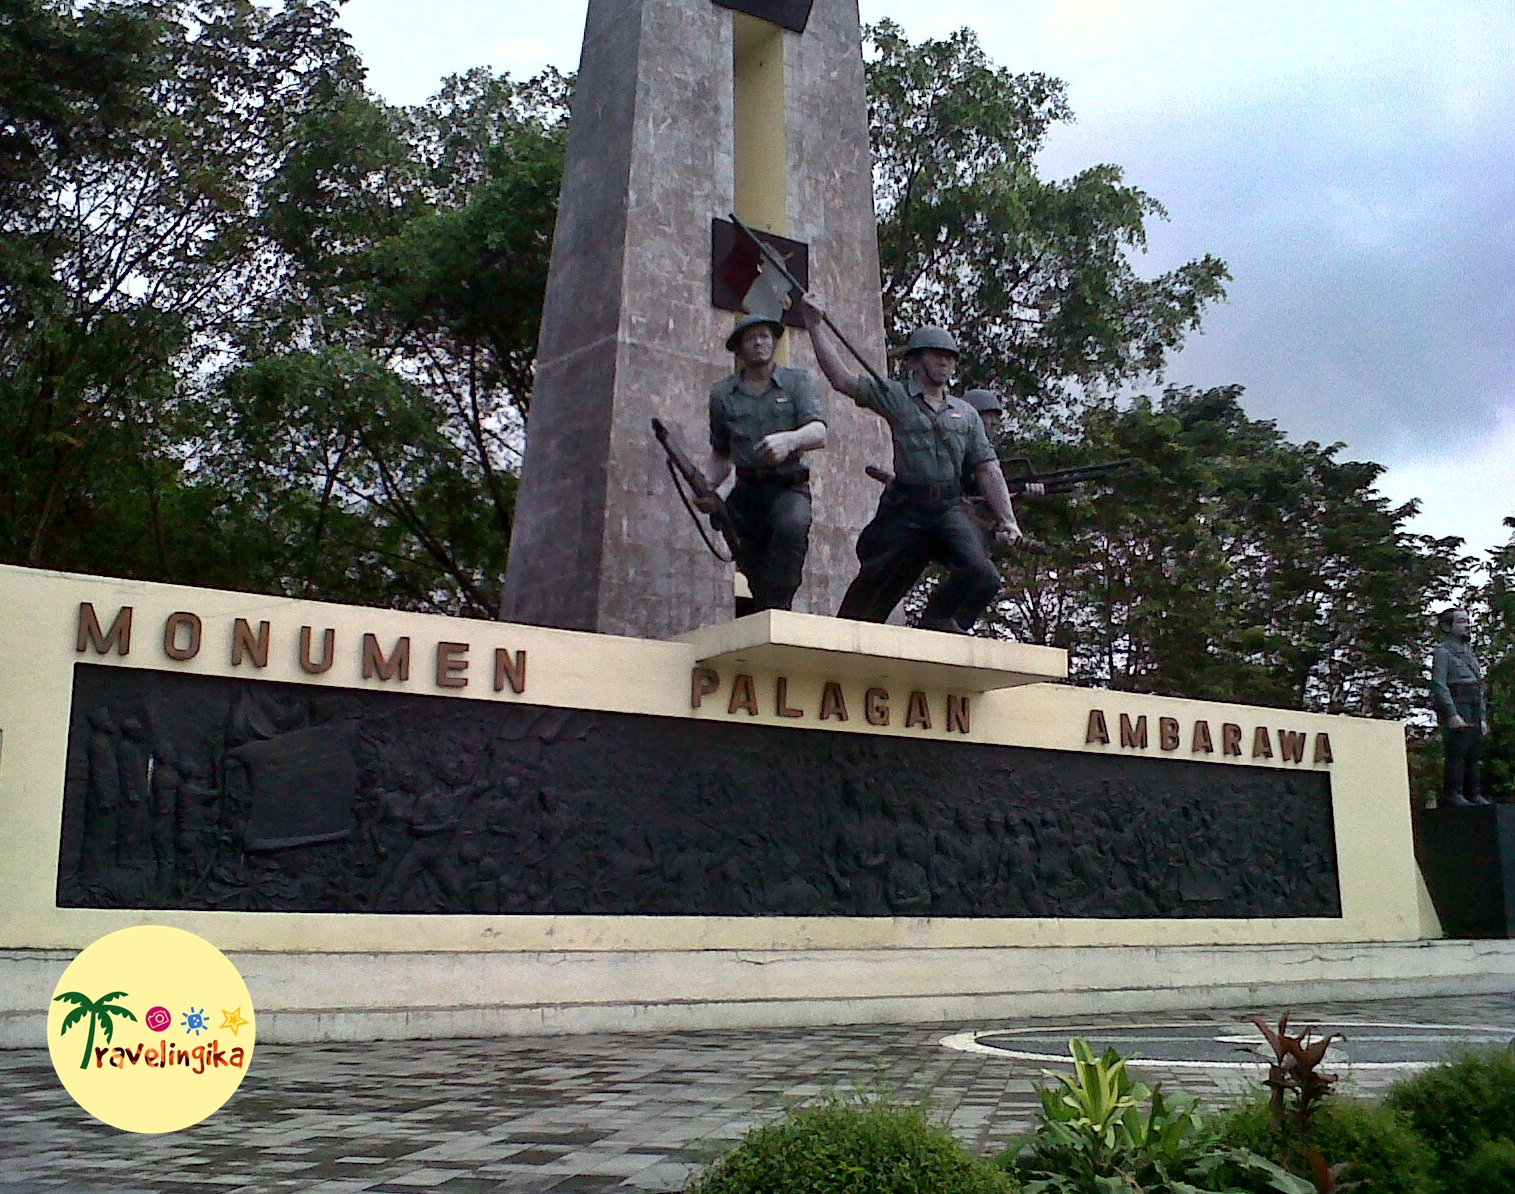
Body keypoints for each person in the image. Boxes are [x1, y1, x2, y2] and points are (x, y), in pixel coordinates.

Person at [800, 298, 1034, 632]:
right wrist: (814, 325)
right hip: (906, 506)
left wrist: (1008, 520)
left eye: (950, 357)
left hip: (948, 506)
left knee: (980, 572)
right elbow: (842, 379)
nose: (944, 362)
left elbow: (987, 468)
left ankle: (937, 622)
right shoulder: (895, 396)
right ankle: (843, 637)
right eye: (936, 355)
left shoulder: (966, 414)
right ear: (914, 361)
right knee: (876, 578)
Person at [700, 312, 828, 612]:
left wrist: (790, 440)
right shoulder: (722, 395)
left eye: (765, 336)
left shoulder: (797, 382)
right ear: (739, 348)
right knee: (750, 563)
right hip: (747, 491)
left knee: (791, 529)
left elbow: (819, 431)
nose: (759, 342)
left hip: (787, 485)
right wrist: (705, 487)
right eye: (750, 338)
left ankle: (779, 610)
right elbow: (721, 453)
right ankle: (760, 611)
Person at [1430, 606, 1490, 808]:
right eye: (1462, 621)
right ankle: (1453, 793)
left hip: (1472, 703)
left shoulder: (1469, 653)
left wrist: (1482, 717)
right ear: (1448, 626)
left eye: (1467, 620)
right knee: (1458, 752)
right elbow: (1439, 684)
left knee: (1474, 753)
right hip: (1458, 702)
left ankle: (1473, 793)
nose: (1468, 625)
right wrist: (1451, 713)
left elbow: (1479, 685)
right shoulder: (1443, 652)